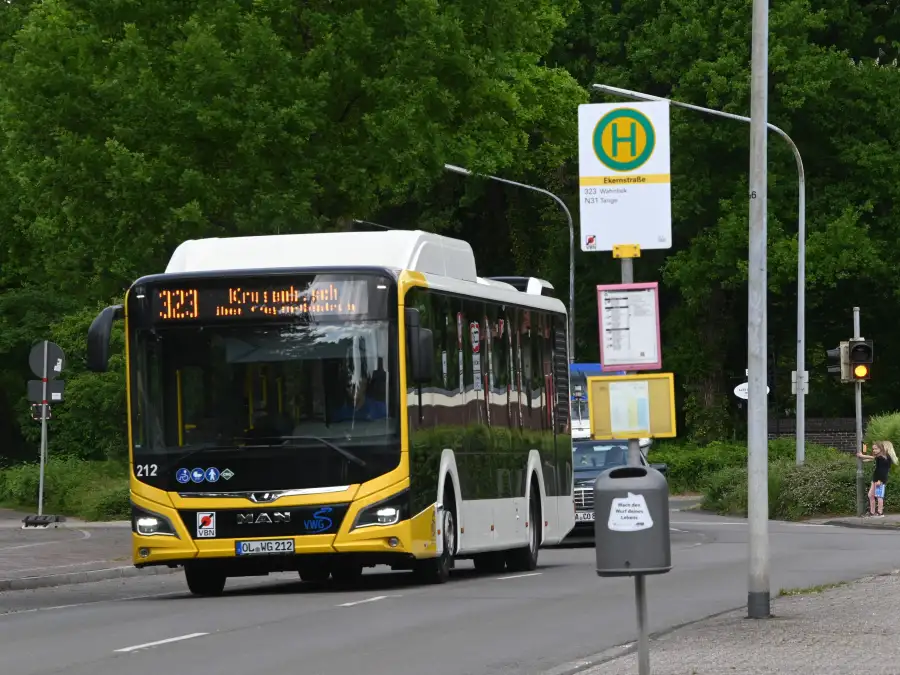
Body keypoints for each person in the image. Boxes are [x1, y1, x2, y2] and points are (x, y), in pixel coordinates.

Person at [857, 441, 899, 517]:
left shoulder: (884, 457)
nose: (874, 450)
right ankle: (872, 512)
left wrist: (862, 455)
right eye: (873, 449)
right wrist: (864, 459)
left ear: (883, 449)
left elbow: (882, 469)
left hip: (880, 479)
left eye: (876, 449)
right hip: (875, 479)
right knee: (870, 495)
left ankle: (880, 513)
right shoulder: (881, 457)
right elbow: (873, 458)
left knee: (879, 496)